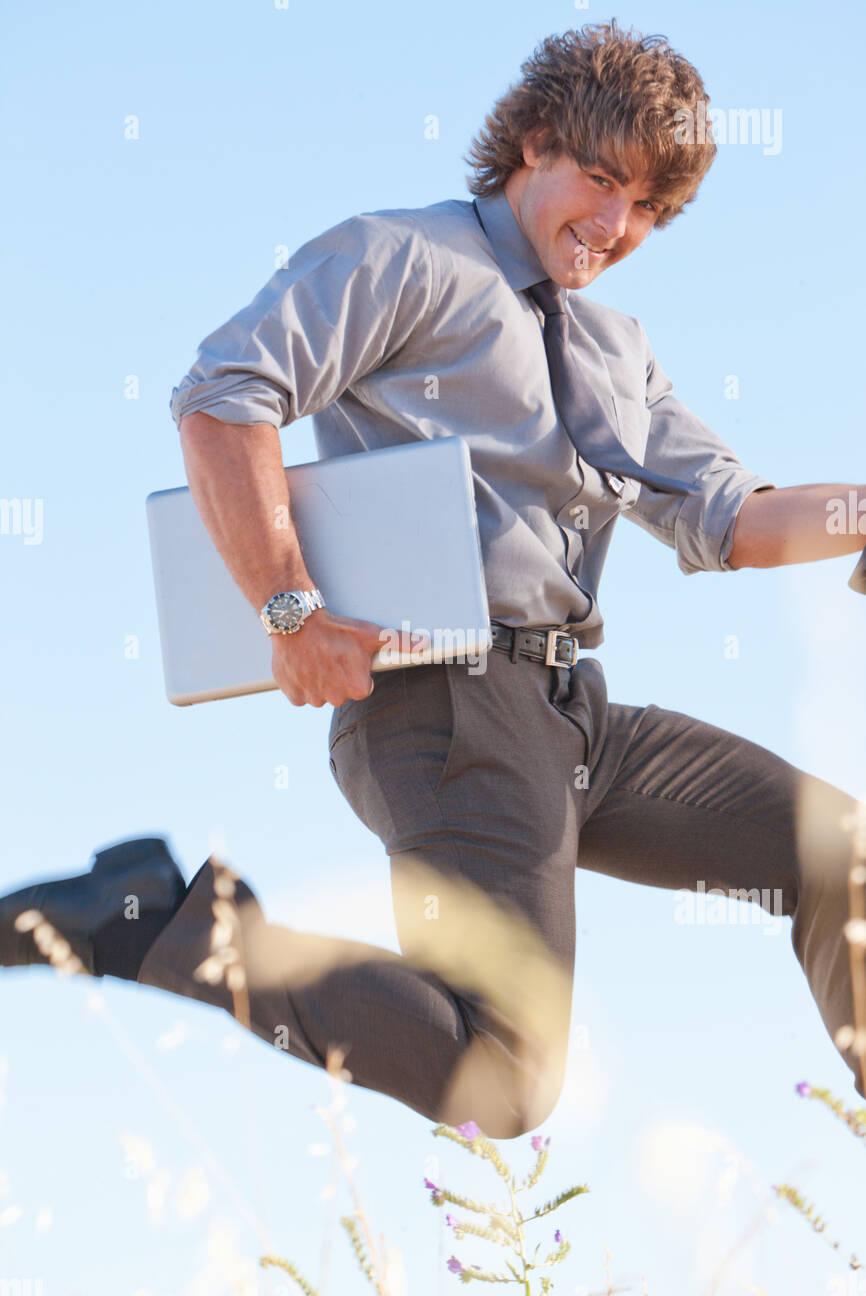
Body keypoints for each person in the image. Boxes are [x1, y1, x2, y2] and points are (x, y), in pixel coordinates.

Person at [3, 21, 865, 1138]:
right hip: (444, 705)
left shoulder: (616, 349)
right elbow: (222, 398)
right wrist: (289, 609)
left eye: (645, 206)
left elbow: (738, 521)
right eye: (598, 180)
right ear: (531, 144)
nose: (613, 225)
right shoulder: (404, 257)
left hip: (572, 714)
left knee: (834, 853)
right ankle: (157, 926)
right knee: (502, 1077)